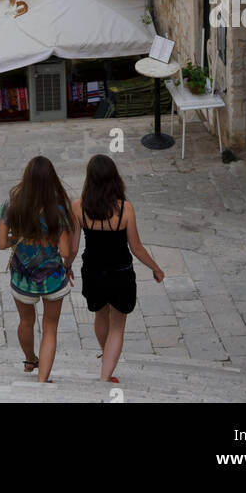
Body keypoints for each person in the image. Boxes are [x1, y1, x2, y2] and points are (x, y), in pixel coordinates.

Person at [72, 155, 165, 383]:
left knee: (100, 314)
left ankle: (107, 357)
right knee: (118, 326)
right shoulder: (125, 209)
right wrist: (156, 268)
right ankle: (106, 375)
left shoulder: (78, 207)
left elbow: (73, 247)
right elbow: (137, 248)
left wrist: (65, 268)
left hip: (93, 271)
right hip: (120, 273)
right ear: (114, 178)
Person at [0, 157, 77, 383]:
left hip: (23, 279)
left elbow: (2, 244)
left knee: (25, 322)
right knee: (50, 328)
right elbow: (64, 251)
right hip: (53, 279)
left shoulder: (11, 204)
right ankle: (42, 380)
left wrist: (19, 239)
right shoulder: (59, 210)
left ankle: (30, 359)